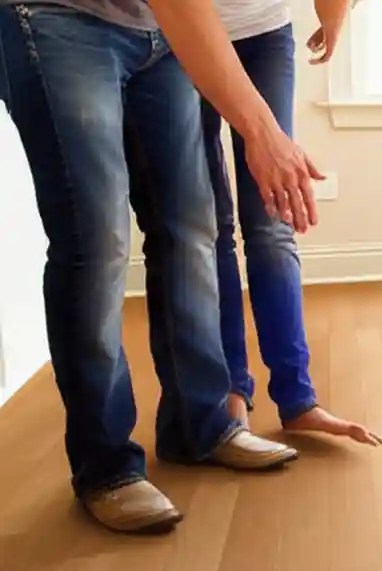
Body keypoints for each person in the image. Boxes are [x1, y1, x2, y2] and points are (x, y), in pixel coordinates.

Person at [0, 0, 324, 533]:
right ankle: (105, 466)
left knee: (192, 228)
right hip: (54, 16)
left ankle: (200, 425)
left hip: (155, 29)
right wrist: (263, 132)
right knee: (96, 240)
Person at [141, 0, 382, 446]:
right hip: (181, 35)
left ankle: (298, 400)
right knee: (208, 225)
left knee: (273, 222)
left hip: (264, 34)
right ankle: (231, 389)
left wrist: (334, 14)